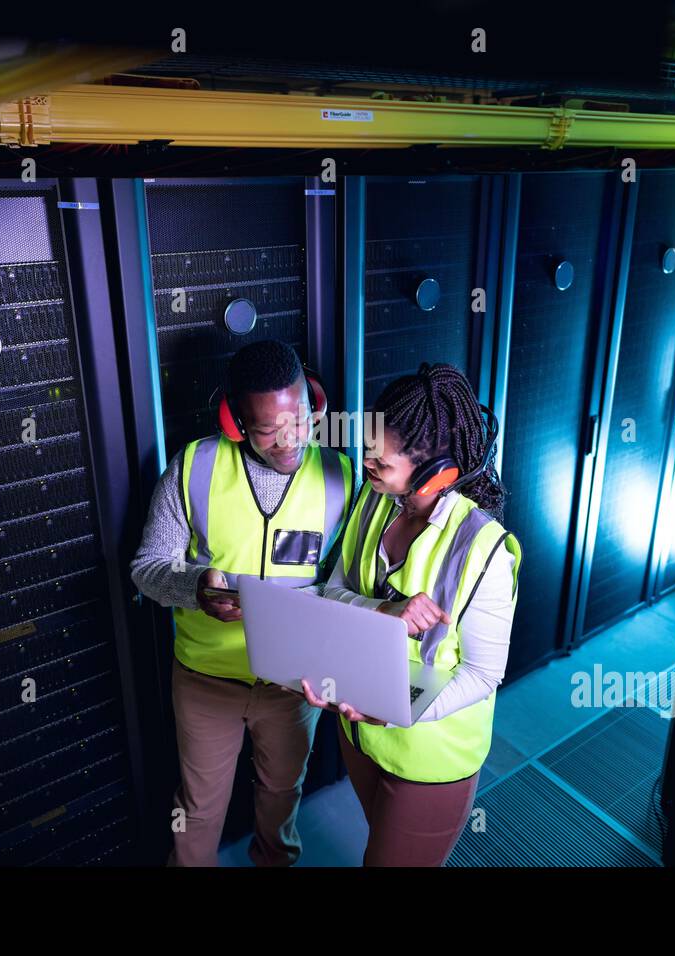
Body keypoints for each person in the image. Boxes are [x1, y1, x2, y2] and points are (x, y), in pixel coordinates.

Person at [130, 339, 354, 866]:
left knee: (283, 796)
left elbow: (352, 583)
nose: (289, 441)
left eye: (299, 420)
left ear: (313, 402)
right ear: (234, 423)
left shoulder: (343, 477)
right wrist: (194, 590)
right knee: (199, 810)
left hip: (296, 683)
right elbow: (146, 568)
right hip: (208, 679)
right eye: (267, 430)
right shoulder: (194, 468)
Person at [302, 361, 521, 867]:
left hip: (430, 760)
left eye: (382, 460)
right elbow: (333, 592)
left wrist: (400, 706)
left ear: (437, 472)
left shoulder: (485, 550)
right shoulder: (375, 502)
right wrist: (384, 609)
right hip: (360, 734)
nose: (367, 463)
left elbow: (484, 673)